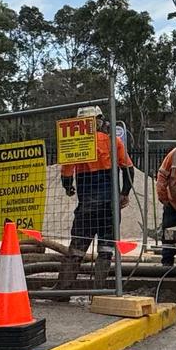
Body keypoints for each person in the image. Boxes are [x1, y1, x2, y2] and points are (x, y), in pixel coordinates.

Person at [56, 112, 133, 287]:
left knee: (76, 249)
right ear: (98, 120)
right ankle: (98, 290)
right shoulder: (113, 142)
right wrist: (124, 192)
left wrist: (68, 188)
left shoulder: (75, 144)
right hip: (109, 206)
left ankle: (63, 290)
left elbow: (66, 173)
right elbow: (128, 169)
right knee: (106, 249)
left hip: (87, 207)